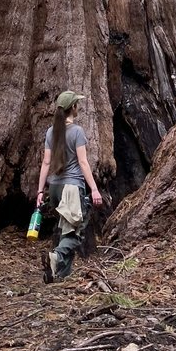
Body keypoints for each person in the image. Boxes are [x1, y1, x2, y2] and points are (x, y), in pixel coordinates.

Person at [36, 89, 103, 282]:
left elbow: (46, 163)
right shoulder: (77, 131)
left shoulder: (51, 132)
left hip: (55, 188)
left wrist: (41, 191)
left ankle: (60, 274)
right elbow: (83, 162)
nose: (78, 107)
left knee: (65, 228)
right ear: (72, 108)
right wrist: (95, 188)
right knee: (75, 231)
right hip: (72, 188)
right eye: (76, 104)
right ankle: (56, 256)